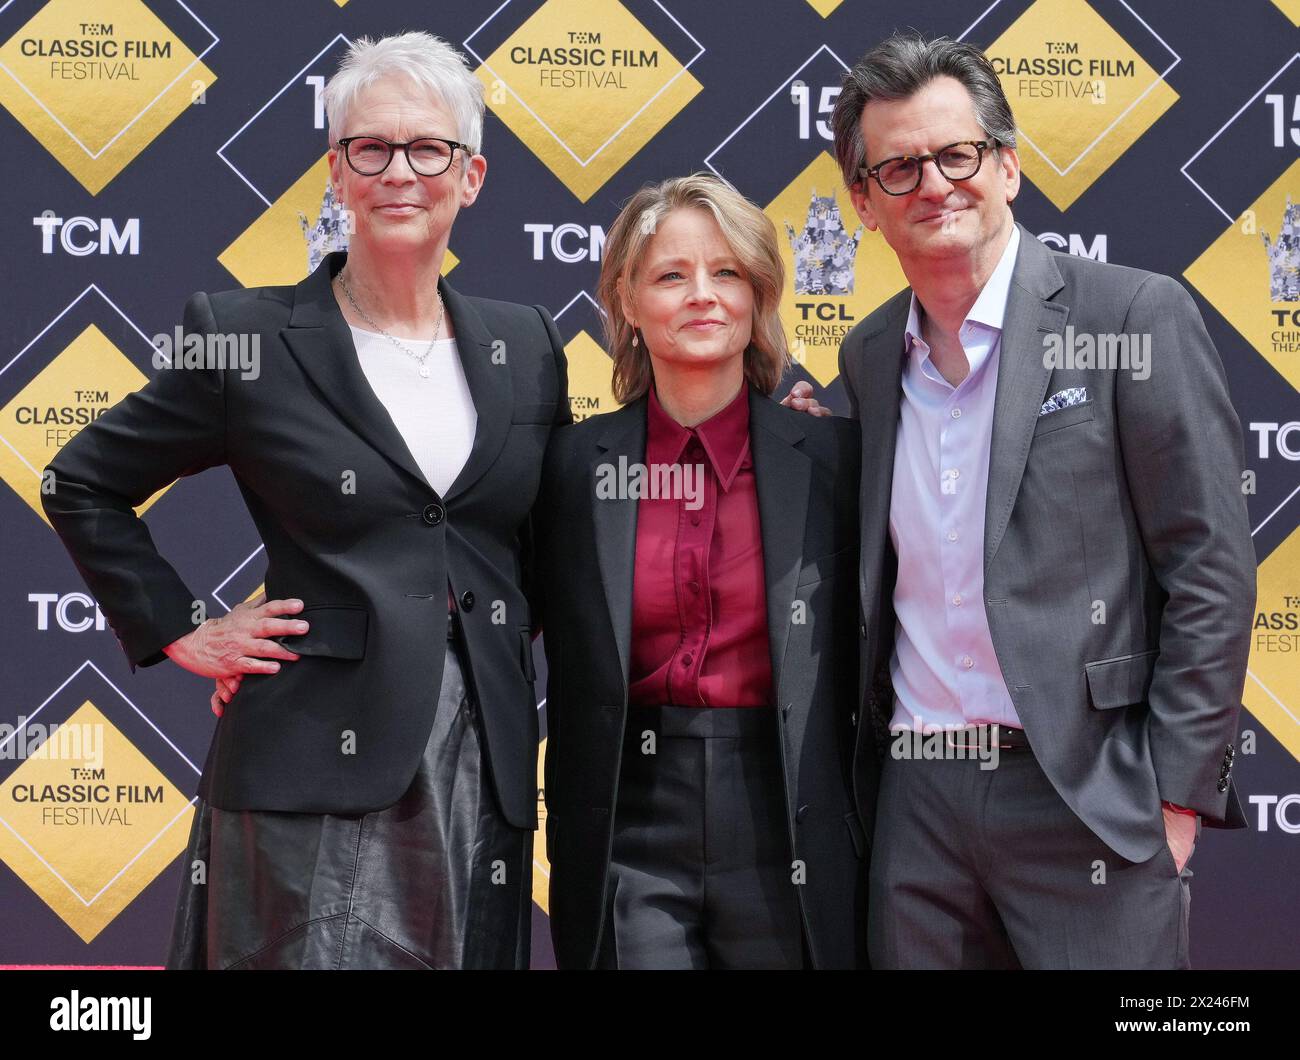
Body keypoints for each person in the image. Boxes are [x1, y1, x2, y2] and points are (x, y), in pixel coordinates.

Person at [41, 31, 570, 969]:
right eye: (370, 148)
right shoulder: (246, 336)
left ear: (472, 174)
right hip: (304, 768)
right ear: (336, 171)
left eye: (428, 149)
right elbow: (81, 479)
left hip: (478, 769)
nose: (398, 171)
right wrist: (181, 628)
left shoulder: (524, 345)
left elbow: (543, 542)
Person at [816, 31, 1256, 969]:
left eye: (958, 154)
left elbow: (1210, 564)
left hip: (1088, 795)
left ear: (1009, 166)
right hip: (917, 799)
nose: (933, 183)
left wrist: (1175, 798)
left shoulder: (1130, 317)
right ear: (862, 202)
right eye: (897, 167)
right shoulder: (863, 355)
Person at [534, 174, 872, 969]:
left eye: (727, 273)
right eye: (670, 275)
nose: (702, 295)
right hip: (627, 820)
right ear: (626, 299)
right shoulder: (572, 465)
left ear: (758, 297)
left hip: (789, 811)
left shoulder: (831, 461)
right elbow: (487, 604)